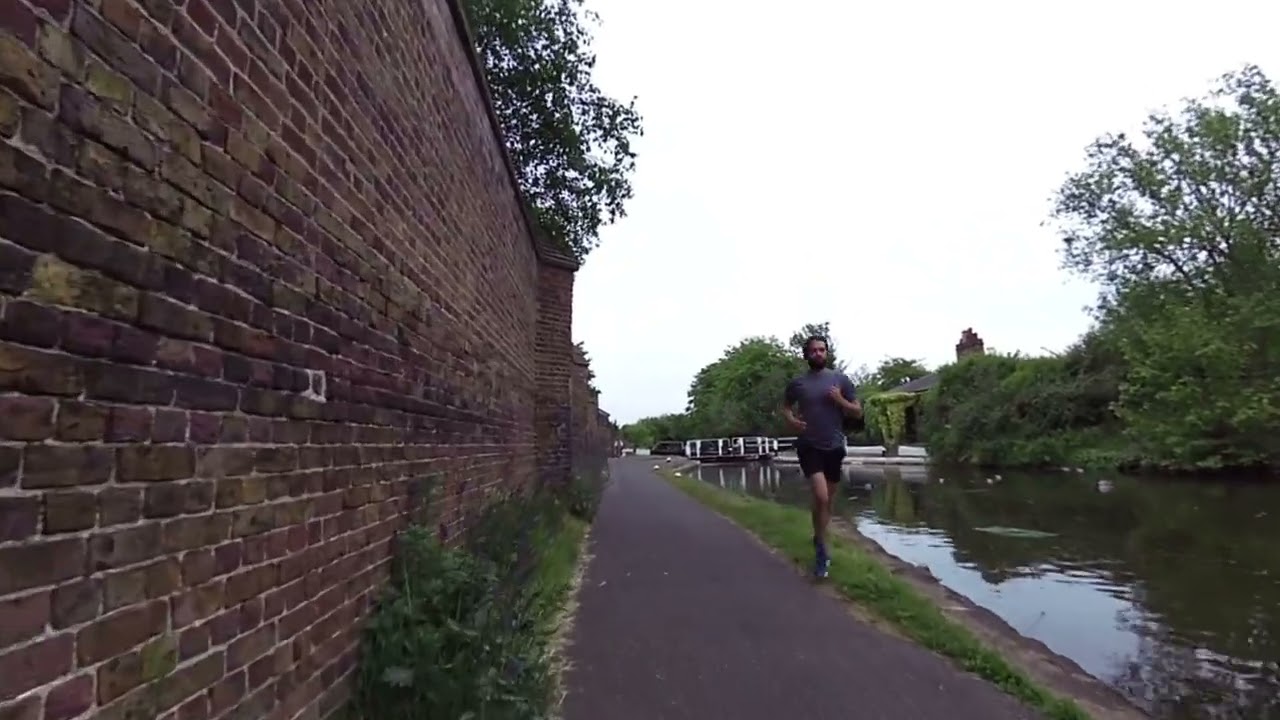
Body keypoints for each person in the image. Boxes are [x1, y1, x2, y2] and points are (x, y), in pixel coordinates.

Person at [781, 335, 861, 578]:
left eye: (822, 350)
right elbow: (785, 407)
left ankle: (818, 536)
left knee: (826, 501)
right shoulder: (798, 384)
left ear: (827, 353)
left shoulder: (840, 380)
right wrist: (793, 420)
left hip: (834, 446)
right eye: (813, 350)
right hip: (809, 445)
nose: (818, 353)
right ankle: (822, 551)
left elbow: (857, 412)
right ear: (806, 355)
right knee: (821, 495)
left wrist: (840, 400)